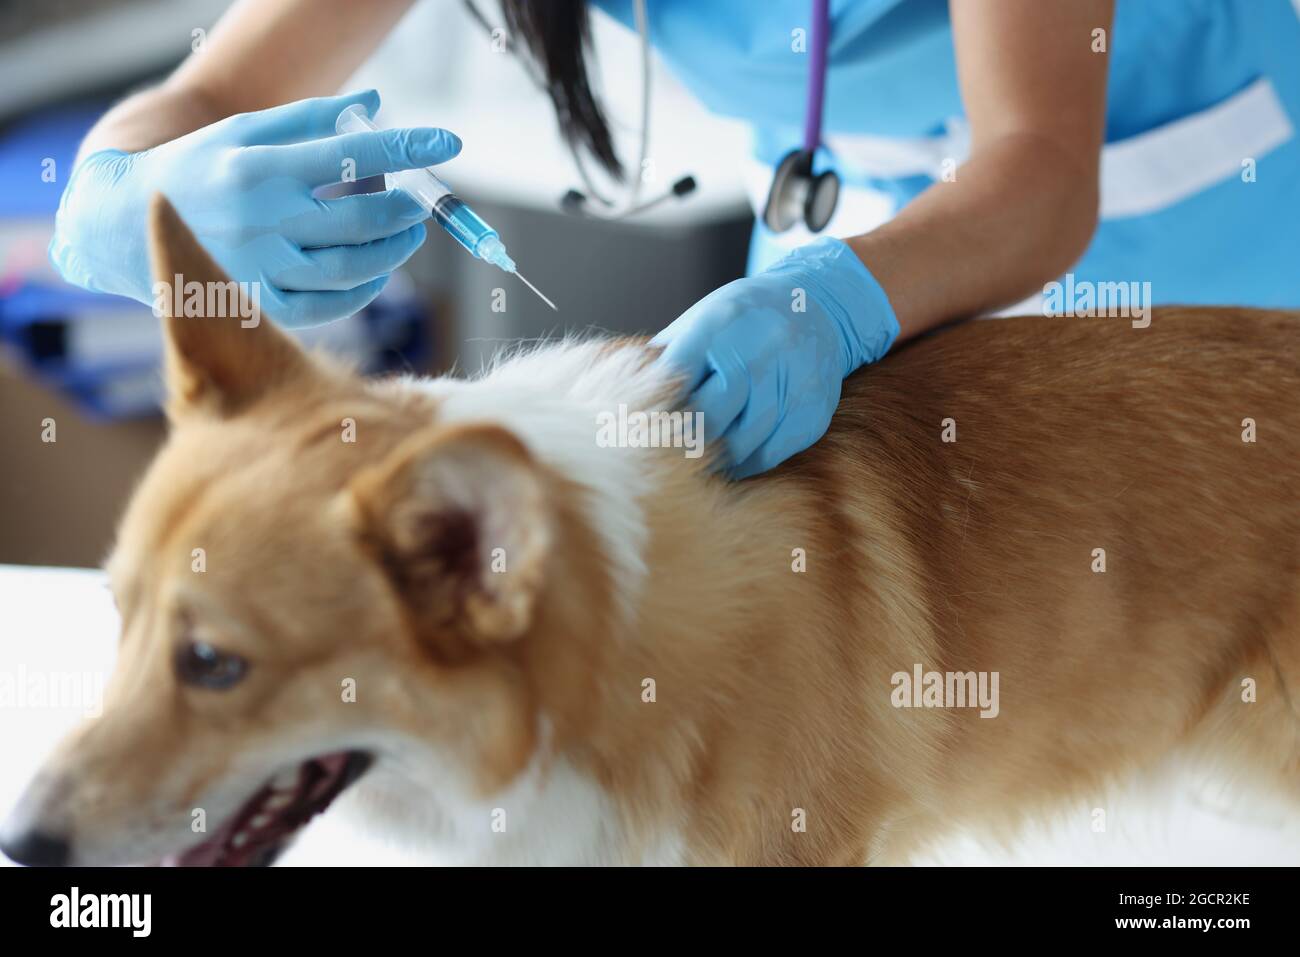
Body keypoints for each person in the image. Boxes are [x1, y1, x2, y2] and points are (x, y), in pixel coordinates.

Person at [49, 0, 1300, 477]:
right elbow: (206, 95)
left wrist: (837, 302)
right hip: (856, 223)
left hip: (1204, 206)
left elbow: (1032, 175)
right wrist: (123, 198)